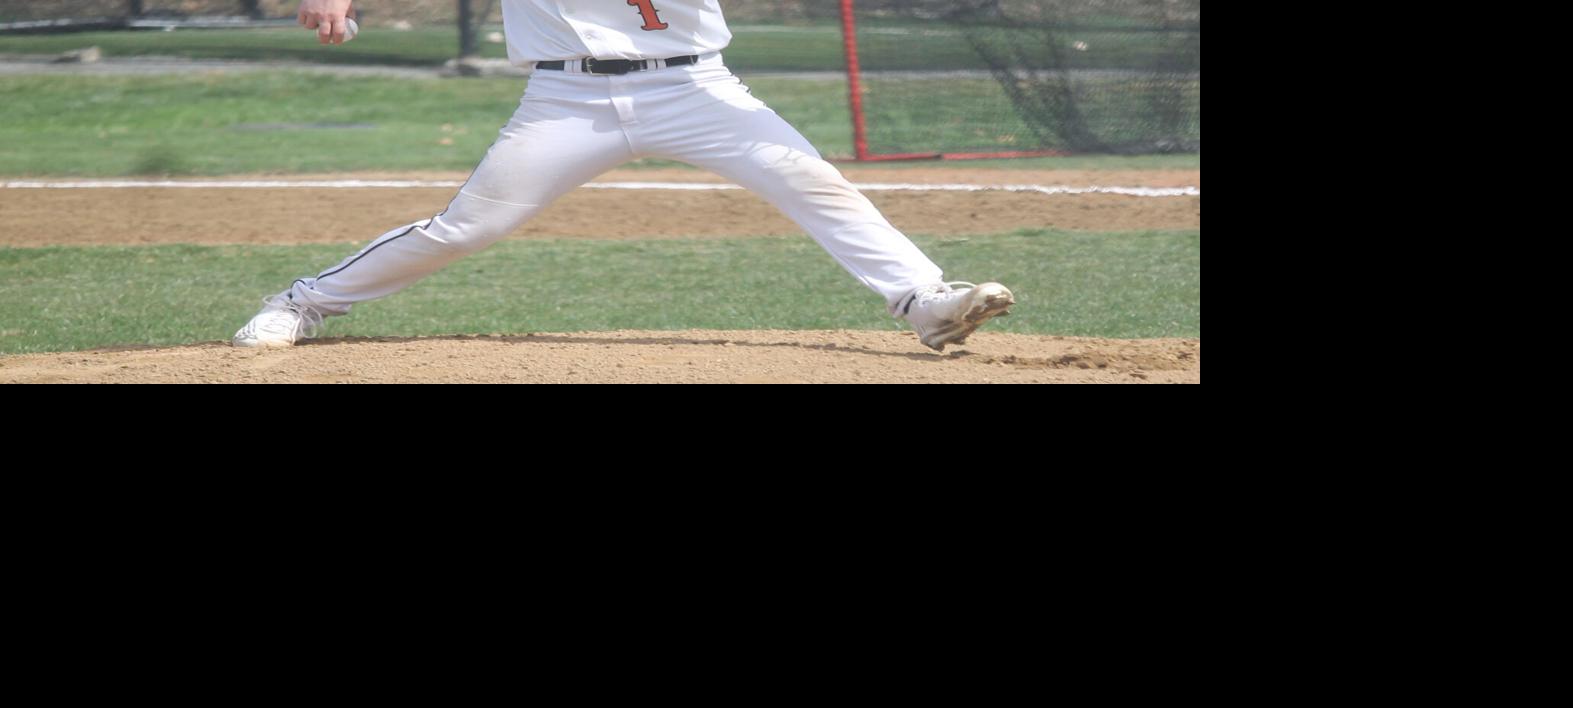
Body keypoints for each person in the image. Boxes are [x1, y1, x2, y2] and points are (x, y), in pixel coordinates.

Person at [234, 0, 1016, 352]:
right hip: (567, 93)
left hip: (694, 86)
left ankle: (921, 301)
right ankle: (302, 303)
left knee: (807, 178)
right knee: (472, 225)